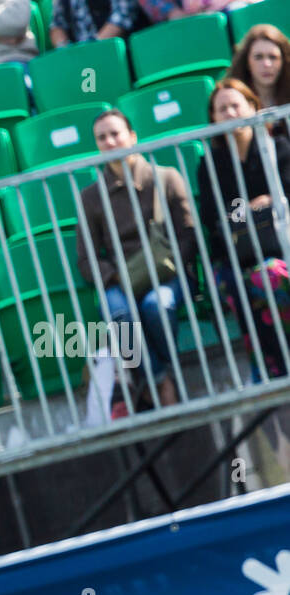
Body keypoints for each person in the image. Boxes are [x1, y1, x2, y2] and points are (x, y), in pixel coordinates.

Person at [77, 109, 197, 413]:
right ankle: (160, 378)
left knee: (157, 307)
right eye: (101, 137)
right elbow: (87, 257)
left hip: (167, 273)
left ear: (132, 136)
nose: (109, 141)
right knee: (119, 314)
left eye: (115, 133)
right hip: (121, 277)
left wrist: (167, 266)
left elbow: (188, 234)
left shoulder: (167, 177)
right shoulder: (90, 197)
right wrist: (116, 277)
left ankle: (153, 378)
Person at [196, 79, 290, 380]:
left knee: (271, 276)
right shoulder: (210, 163)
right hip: (236, 258)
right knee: (241, 286)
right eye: (222, 109)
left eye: (236, 104)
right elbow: (213, 219)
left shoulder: (278, 149)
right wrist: (257, 207)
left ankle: (273, 369)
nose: (230, 112)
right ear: (213, 119)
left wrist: (246, 210)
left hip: (282, 248)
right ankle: (270, 372)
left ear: (253, 107)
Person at [229, 25, 290, 114]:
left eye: (273, 57)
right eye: (258, 57)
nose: (266, 64)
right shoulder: (232, 99)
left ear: (284, 61)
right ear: (247, 62)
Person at [48, 0, 142, 46]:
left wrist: (93, 49)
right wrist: (64, 49)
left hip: (120, 52)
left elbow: (123, 15)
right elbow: (57, 25)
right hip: (82, 61)